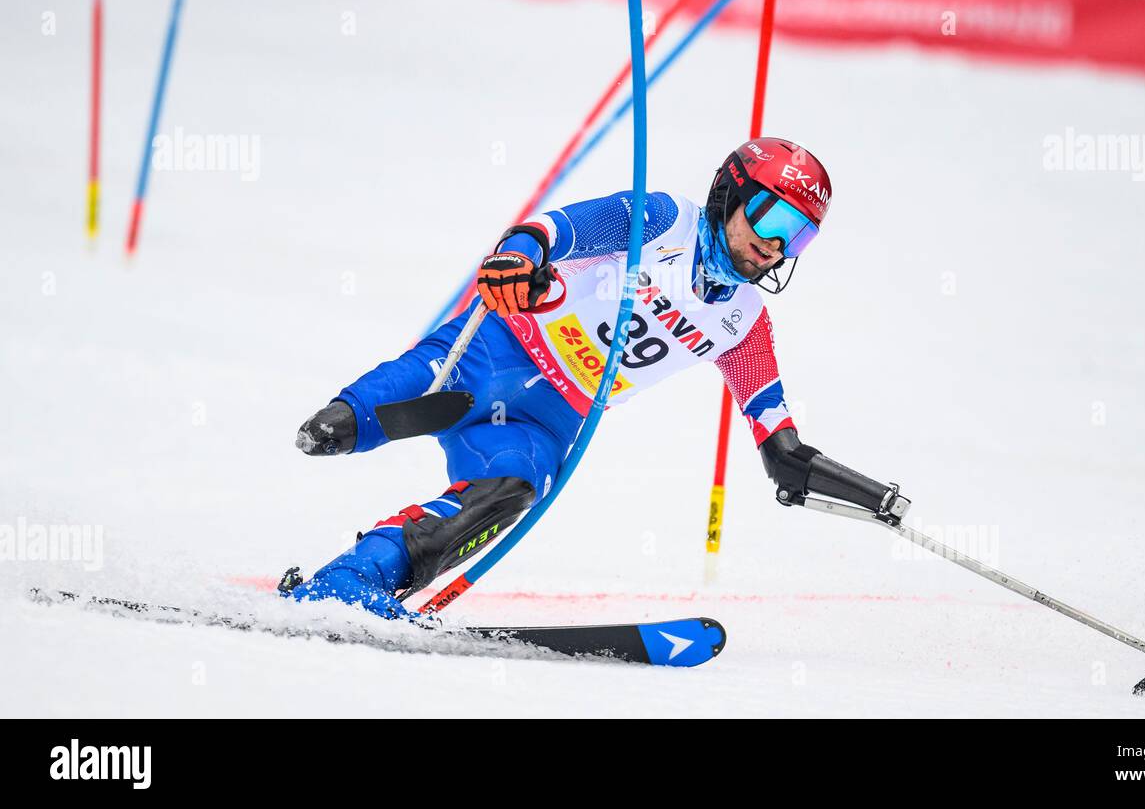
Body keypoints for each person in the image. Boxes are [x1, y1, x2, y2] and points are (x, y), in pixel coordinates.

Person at [282, 137, 909, 618]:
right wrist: (519, 258)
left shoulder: (745, 324)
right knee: (344, 426)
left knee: (506, 494)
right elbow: (552, 231)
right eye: (771, 219)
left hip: (551, 416)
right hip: (495, 350)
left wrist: (869, 498)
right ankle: (342, 424)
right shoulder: (665, 221)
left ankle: (355, 579)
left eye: (798, 236)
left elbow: (782, 448)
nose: (776, 246)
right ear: (730, 194)